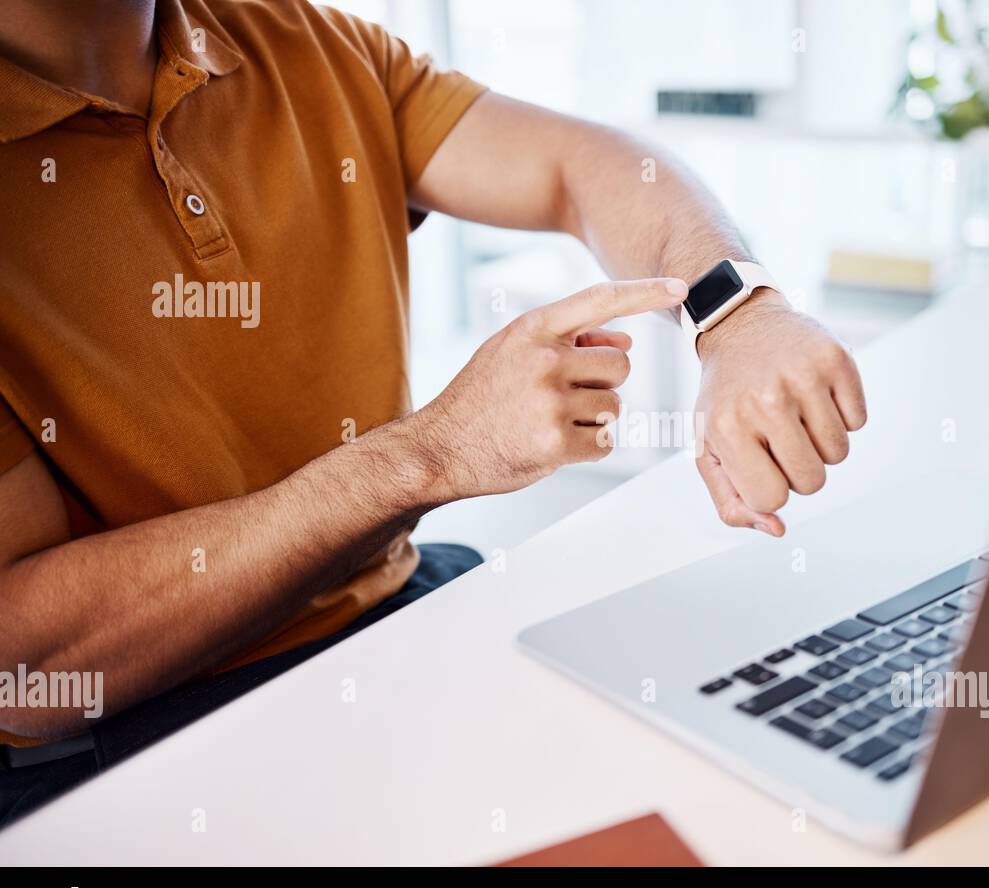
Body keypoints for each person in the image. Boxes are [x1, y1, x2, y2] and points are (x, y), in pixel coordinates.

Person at [0, 0, 866, 819]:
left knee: (754, 754)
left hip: (395, 617)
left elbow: (588, 166)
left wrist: (739, 313)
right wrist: (431, 455)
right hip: (129, 746)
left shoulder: (306, 43)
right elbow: (23, 665)